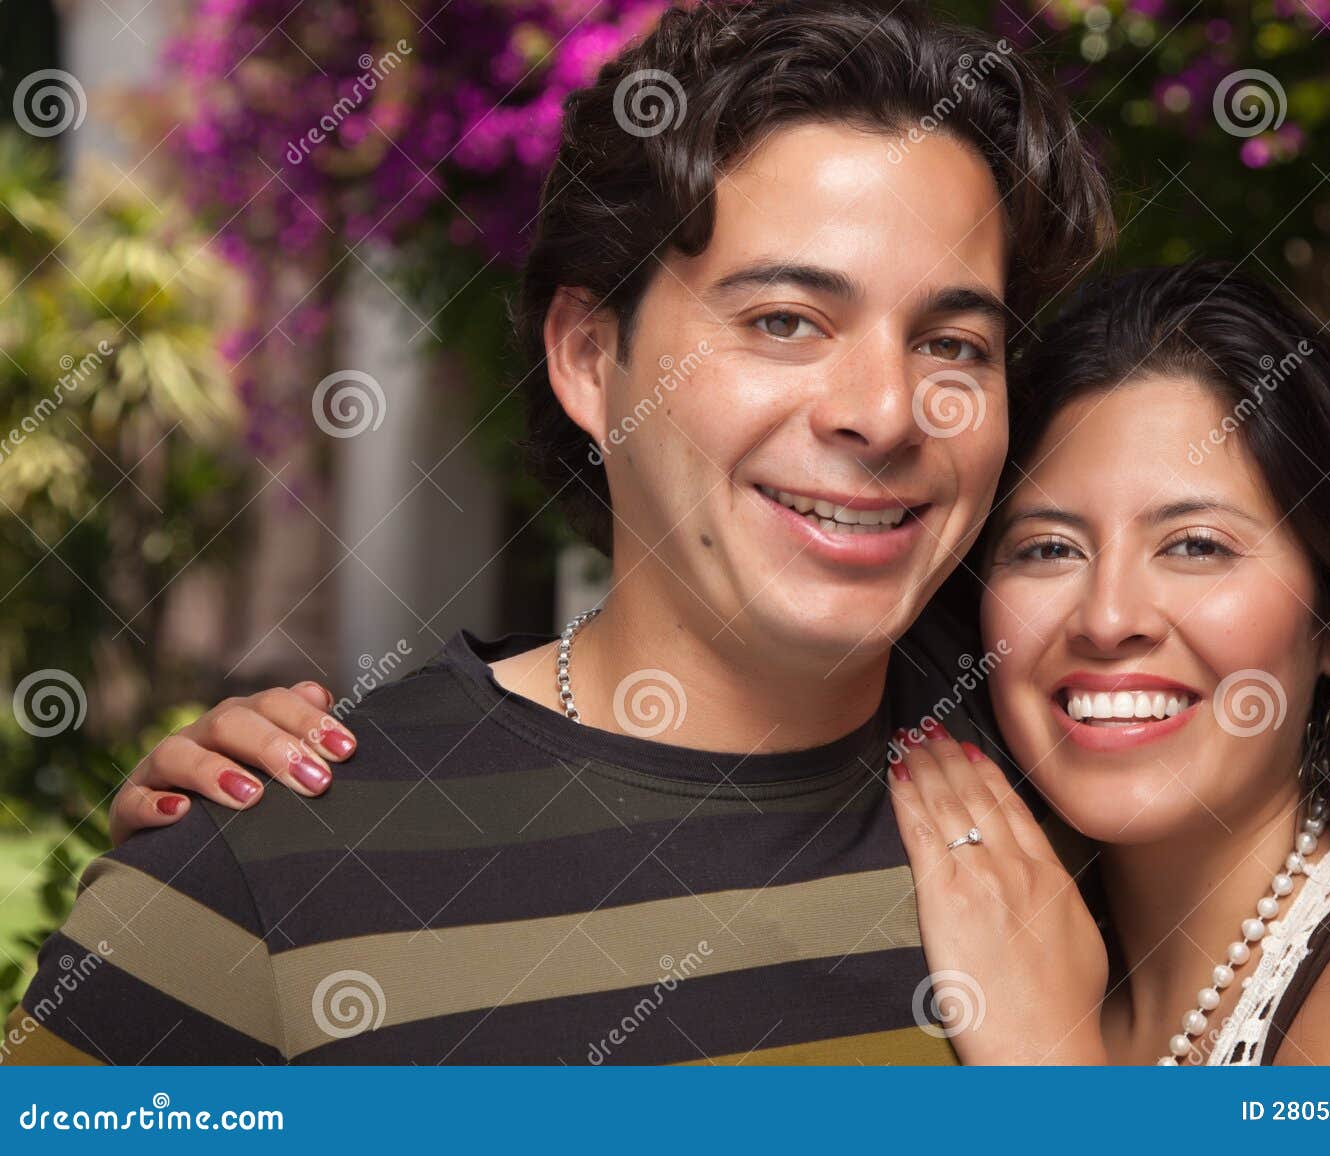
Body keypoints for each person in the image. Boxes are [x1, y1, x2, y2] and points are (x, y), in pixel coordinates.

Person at [0, 0, 1113, 1064]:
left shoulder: (1091, 795)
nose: (884, 411)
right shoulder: (264, 872)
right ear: (588, 357)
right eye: (783, 321)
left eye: (953, 344)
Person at [886, 262, 1330, 1064]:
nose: (1108, 619)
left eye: (1196, 546)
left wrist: (1042, 1063)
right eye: (1049, 548)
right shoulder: (995, 957)